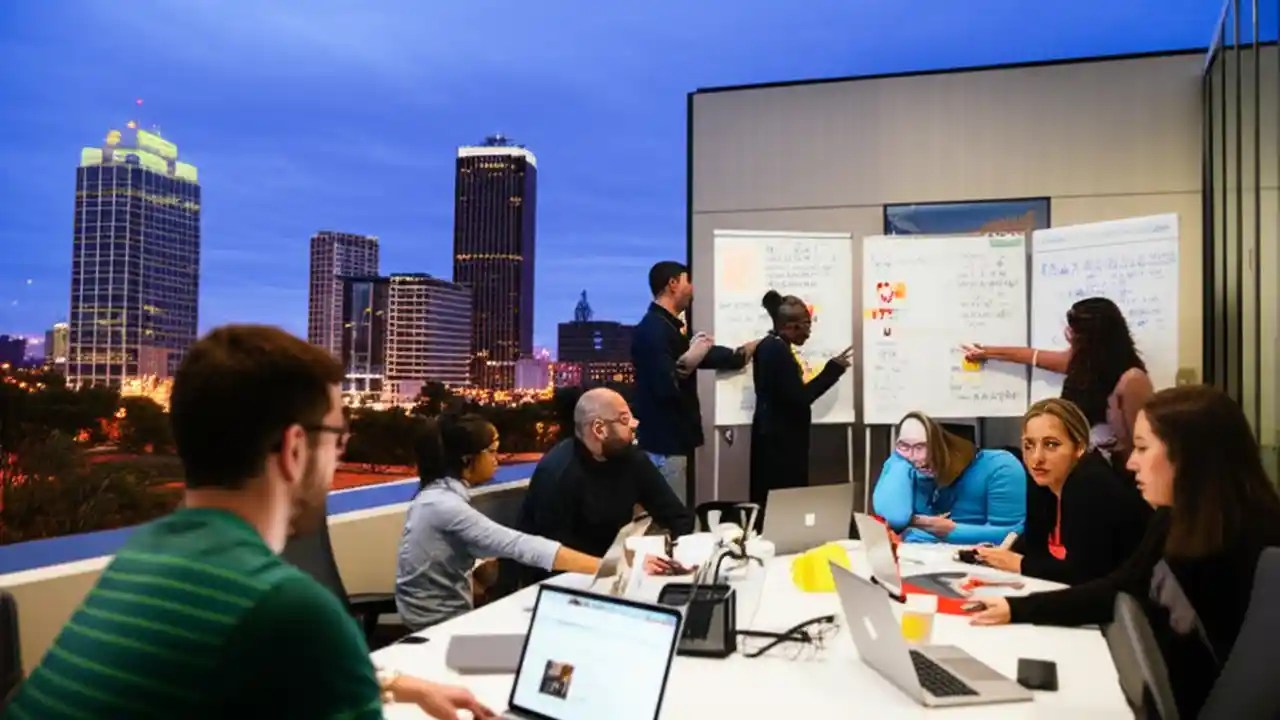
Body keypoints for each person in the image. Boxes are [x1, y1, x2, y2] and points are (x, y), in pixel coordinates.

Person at [4, 325, 493, 719]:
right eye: (338, 437)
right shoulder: (285, 606)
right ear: (295, 448)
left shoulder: (142, 556)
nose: (339, 453)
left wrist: (392, 683)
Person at [967, 385, 1280, 718]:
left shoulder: (1251, 544)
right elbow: (1121, 587)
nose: (1131, 463)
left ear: (1189, 456)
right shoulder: (1172, 518)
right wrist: (1015, 608)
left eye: (1143, 448)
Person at [395, 413, 601, 631]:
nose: (498, 459)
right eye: (492, 451)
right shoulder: (445, 506)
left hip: (432, 615)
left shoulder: (434, 496)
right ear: (467, 459)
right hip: (440, 626)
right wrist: (603, 567)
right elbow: (521, 546)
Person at [511, 388, 695, 585]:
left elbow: (677, 518)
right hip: (566, 581)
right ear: (599, 429)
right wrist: (626, 565)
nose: (634, 424)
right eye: (624, 419)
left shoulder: (632, 460)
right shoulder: (557, 473)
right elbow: (550, 558)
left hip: (615, 571)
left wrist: (673, 559)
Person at [974, 398, 1151, 584]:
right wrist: (997, 554)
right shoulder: (1044, 483)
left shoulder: (1090, 484)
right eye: (1028, 445)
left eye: (1051, 445)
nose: (1036, 458)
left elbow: (1086, 574)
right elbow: (1034, 548)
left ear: (1080, 447)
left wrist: (1020, 564)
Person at [963, 297, 1153, 467]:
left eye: (1075, 331)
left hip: (1103, 469)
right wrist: (986, 352)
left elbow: (1141, 441)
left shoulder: (1131, 379)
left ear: (1093, 337)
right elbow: (1032, 356)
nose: (1067, 334)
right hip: (1069, 460)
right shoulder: (1083, 362)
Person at [631, 260, 759, 503]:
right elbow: (665, 386)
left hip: (673, 444)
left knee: (680, 513)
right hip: (665, 446)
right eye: (688, 281)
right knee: (673, 519)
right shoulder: (652, 330)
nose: (693, 289)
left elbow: (704, 356)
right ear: (672, 284)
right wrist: (687, 362)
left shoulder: (667, 327)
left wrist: (740, 354)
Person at [749, 290, 852, 515]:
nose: (810, 330)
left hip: (774, 441)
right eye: (807, 324)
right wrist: (831, 371)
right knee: (784, 508)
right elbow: (799, 398)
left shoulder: (771, 346)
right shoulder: (776, 351)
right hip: (781, 447)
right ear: (792, 326)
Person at [872, 411, 1025, 545]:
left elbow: (1011, 535)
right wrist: (899, 461)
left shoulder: (1000, 466)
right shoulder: (914, 471)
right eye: (905, 446)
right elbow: (894, 518)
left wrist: (949, 531)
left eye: (922, 447)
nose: (917, 458)